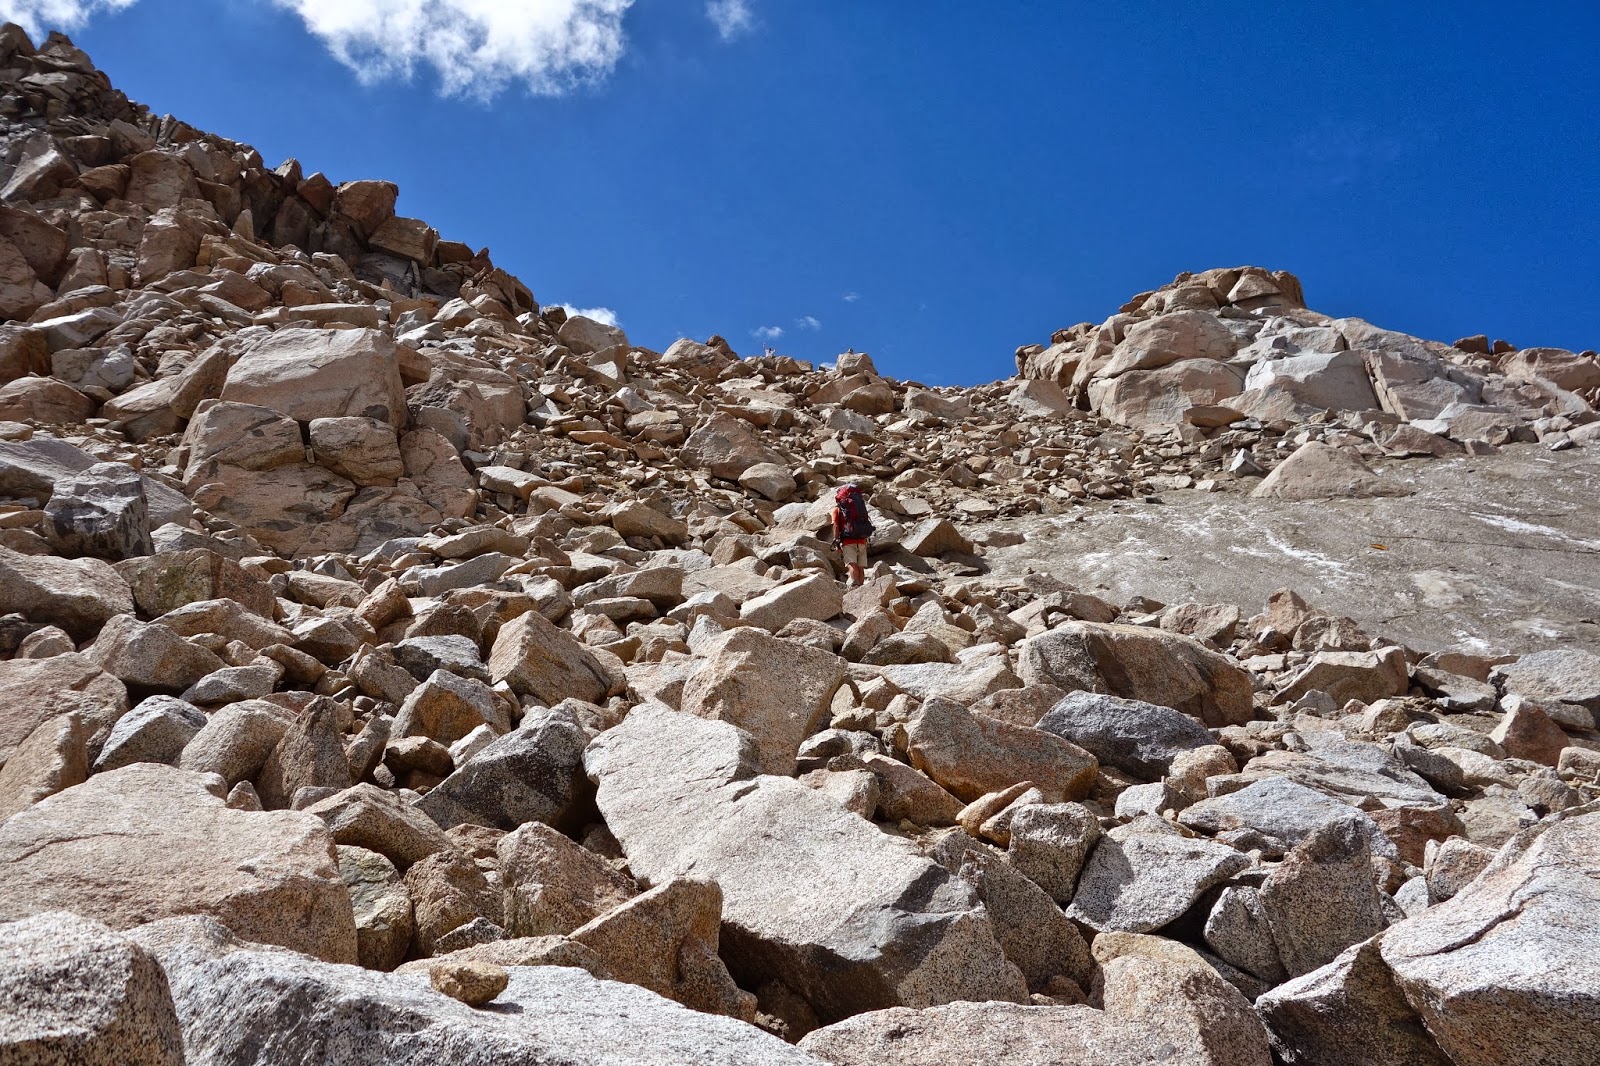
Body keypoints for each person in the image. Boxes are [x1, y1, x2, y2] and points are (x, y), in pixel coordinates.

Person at [830, 483, 873, 588]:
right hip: (862, 540)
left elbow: (835, 525)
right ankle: (861, 587)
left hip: (848, 541)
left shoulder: (837, 510)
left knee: (851, 564)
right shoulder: (859, 507)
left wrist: (836, 540)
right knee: (860, 567)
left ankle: (855, 586)